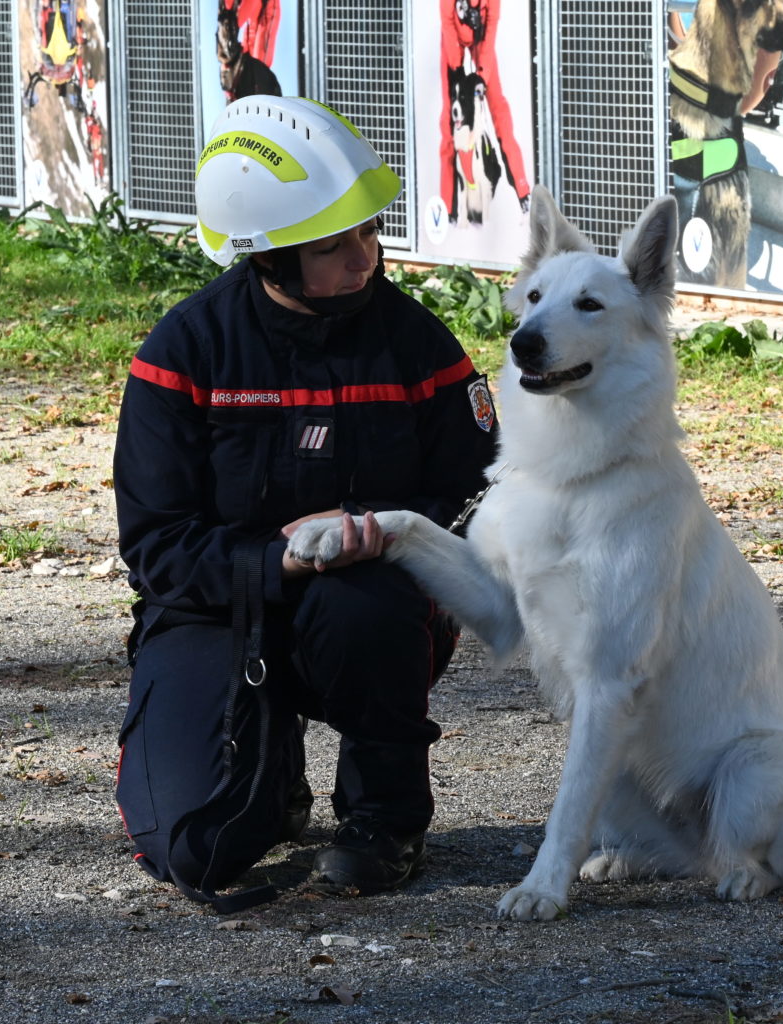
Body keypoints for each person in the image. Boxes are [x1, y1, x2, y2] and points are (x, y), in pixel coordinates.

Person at [113, 96, 498, 911]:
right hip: (216, 611)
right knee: (194, 851)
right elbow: (156, 546)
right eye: (334, 246)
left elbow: (486, 486)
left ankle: (385, 817)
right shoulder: (183, 353)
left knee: (366, 608)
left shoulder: (416, 345)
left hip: (369, 613)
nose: (366, 259)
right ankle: (266, 773)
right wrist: (274, 558)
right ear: (269, 259)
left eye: (368, 231)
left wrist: (396, 539)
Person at [439, 0, 531, 223]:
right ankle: (448, 207)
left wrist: (482, 75)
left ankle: (523, 192)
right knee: (448, 124)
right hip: (453, 42)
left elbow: (491, 29)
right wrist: (458, 70)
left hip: (481, 42)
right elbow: (447, 23)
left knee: (500, 111)